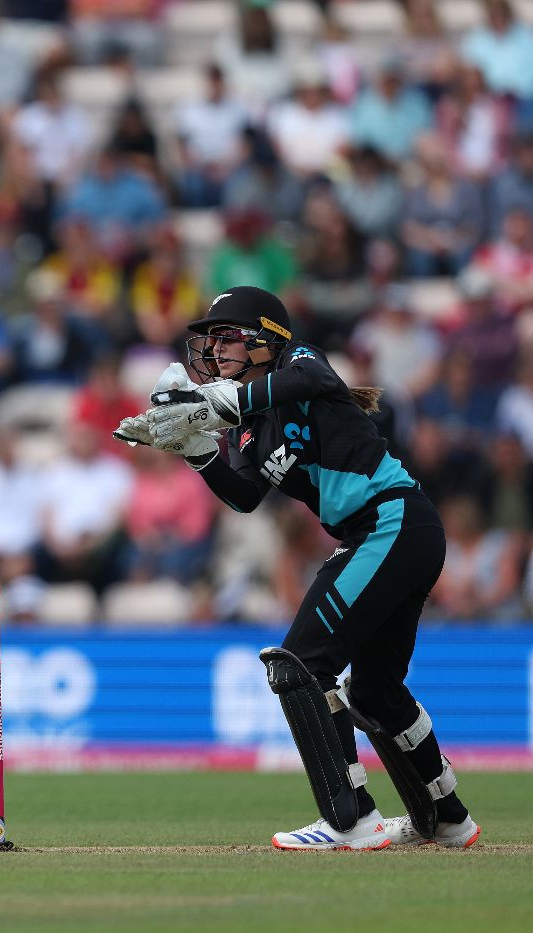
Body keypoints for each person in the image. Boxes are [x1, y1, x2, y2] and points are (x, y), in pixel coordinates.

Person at [115, 286, 480, 850]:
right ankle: (447, 818)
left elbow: (310, 383)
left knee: (300, 665)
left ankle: (350, 819)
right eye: (208, 343)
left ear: (266, 339)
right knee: (376, 693)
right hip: (390, 532)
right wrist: (196, 452)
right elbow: (244, 497)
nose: (212, 354)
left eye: (225, 339)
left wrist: (218, 404)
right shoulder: (253, 422)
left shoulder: (300, 361)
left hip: (392, 523)